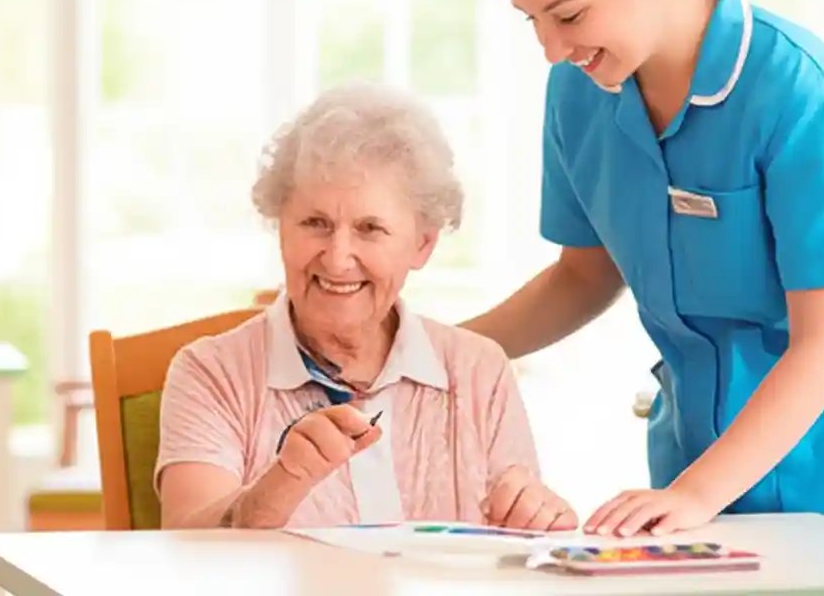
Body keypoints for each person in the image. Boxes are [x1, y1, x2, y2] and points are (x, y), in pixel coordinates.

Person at [463, 0, 824, 538]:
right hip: (697, 481)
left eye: (567, 15)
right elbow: (584, 275)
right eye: (531, 19)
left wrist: (695, 494)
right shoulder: (579, 92)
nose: (551, 49)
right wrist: (437, 351)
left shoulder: (799, 90)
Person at [155, 83, 577, 530]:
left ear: (422, 244)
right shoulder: (211, 372)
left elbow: (516, 542)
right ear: (281, 229)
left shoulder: (480, 372)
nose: (337, 259)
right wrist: (281, 483)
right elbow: (188, 546)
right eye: (315, 223)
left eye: (370, 229)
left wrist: (539, 521)